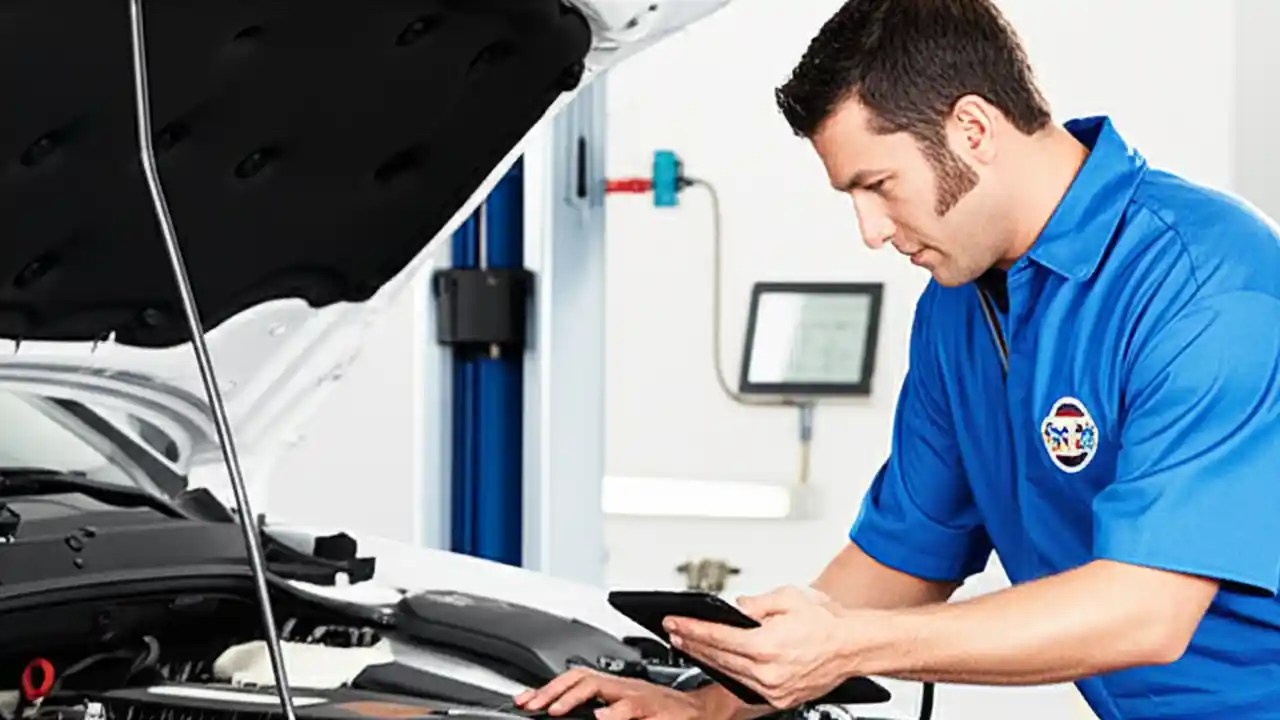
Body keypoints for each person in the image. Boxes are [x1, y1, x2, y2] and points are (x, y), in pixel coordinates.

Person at [515, 0, 1280, 717]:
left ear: (973, 129)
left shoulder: (1207, 283)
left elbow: (1144, 613)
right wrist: (708, 705)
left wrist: (845, 645)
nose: (871, 232)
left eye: (878, 185)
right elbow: (905, 557)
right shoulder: (959, 304)